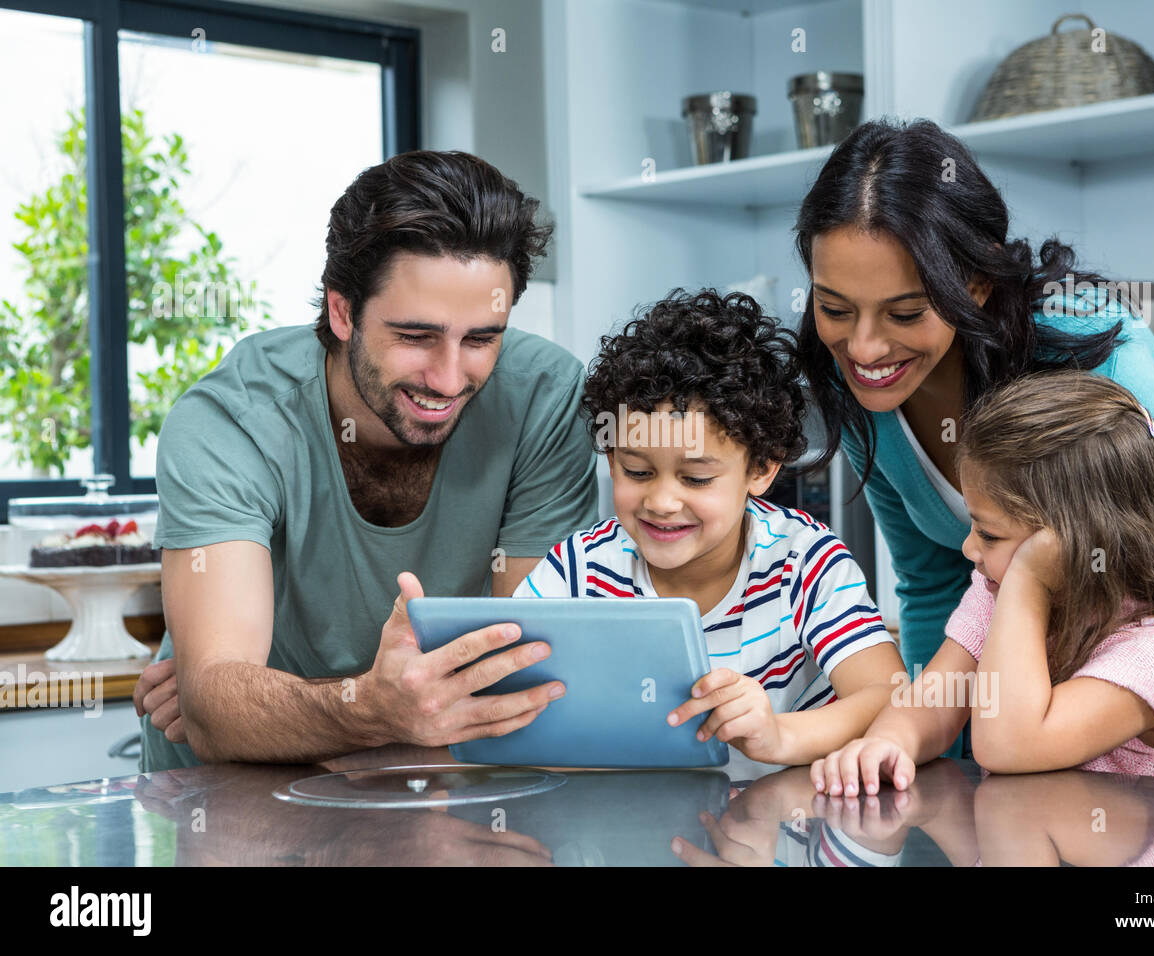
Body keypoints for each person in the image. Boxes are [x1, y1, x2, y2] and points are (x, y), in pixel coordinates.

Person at [794, 118, 1154, 780]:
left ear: (977, 281)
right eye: (835, 308)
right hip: (1026, 748)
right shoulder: (856, 391)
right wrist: (916, 750)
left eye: (906, 313)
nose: (865, 348)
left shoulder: (1098, 351)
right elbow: (932, 590)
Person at [134, 150, 598, 771]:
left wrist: (277, 703)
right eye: (415, 336)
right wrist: (366, 710)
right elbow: (218, 710)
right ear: (342, 311)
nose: (449, 378)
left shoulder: (543, 397)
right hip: (236, 804)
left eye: (482, 338)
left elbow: (524, 673)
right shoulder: (232, 420)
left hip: (431, 787)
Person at [811, 371, 1154, 798]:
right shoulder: (995, 593)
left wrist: (1027, 579)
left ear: (1074, 542)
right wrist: (890, 741)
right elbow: (934, 700)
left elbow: (1010, 745)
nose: (968, 549)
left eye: (989, 534)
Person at [516, 288, 906, 766]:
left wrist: (778, 735)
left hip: (789, 827)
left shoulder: (804, 562)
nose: (660, 503)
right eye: (636, 471)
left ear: (761, 469)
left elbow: (888, 697)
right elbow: (511, 694)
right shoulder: (580, 570)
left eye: (696, 478)